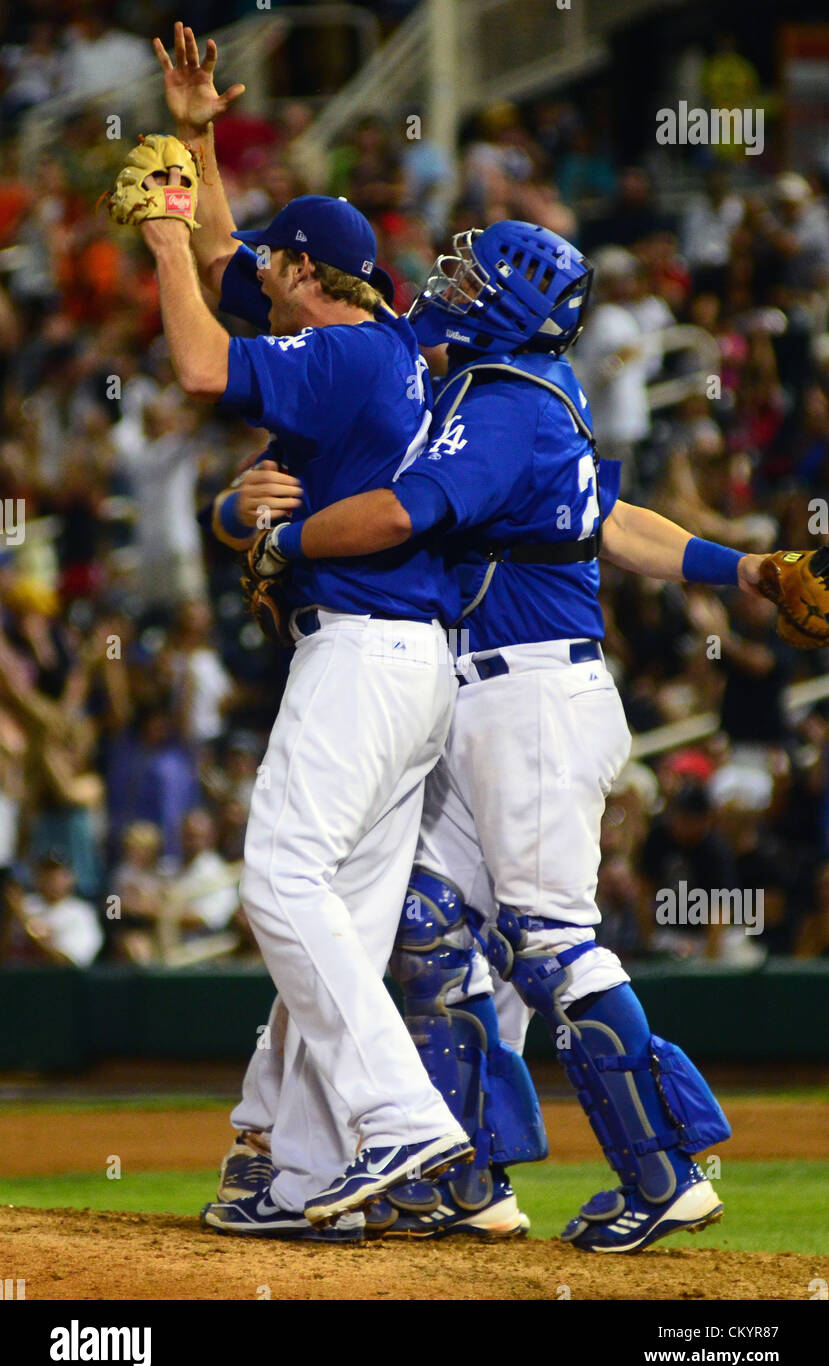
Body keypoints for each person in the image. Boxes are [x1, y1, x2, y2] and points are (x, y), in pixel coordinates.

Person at [224, 220, 779, 1251]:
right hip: (480, 694)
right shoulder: (496, 390)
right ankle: (467, 1176)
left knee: (551, 938)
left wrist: (284, 539)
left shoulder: (507, 401)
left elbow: (405, 513)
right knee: (429, 925)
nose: (454, 280)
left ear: (515, 302)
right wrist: (739, 567)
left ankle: (664, 1171)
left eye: (479, 274)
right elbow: (611, 521)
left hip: (531, 691)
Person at [138, 22, 472, 1241]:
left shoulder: (337, 358)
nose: (253, 268)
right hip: (414, 664)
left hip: (367, 649)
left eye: (271, 264)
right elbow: (238, 255)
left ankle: (399, 1120)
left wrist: (164, 235)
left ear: (304, 273)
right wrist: (196, 136)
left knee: (278, 877)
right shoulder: (372, 345)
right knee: (338, 909)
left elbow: (192, 358)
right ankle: (299, 1171)